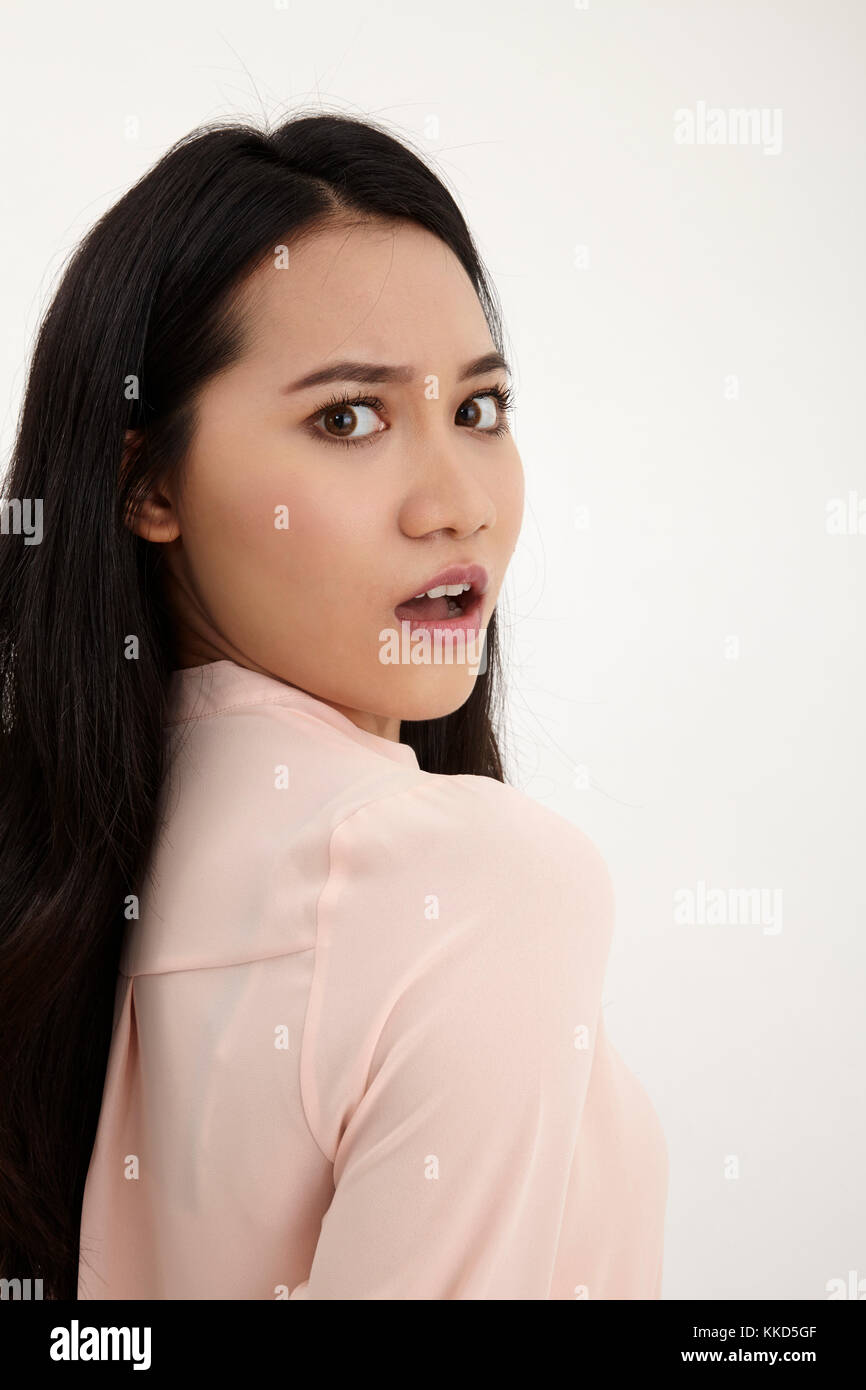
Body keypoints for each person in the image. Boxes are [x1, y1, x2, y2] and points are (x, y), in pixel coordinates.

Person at [0, 110, 667, 1300]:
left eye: (477, 409)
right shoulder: (465, 883)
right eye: (347, 419)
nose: (455, 502)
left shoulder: (85, 892)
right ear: (146, 481)